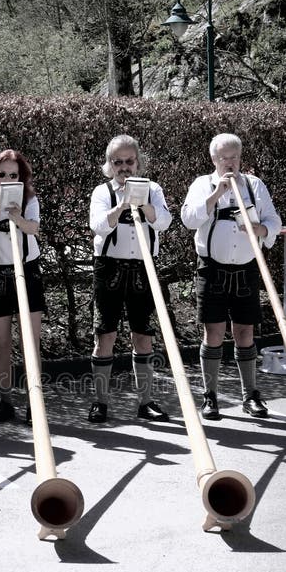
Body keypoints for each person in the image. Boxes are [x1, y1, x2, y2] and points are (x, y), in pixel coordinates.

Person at [181, 132, 281, 419]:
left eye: (235, 156)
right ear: (214, 159)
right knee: (213, 332)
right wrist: (217, 194)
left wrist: (261, 230)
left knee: (245, 332)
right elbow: (189, 219)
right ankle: (210, 396)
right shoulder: (203, 184)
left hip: (247, 268)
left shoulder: (254, 184)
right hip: (212, 269)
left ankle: (250, 395)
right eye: (225, 158)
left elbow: (273, 220)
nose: (230, 163)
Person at [88, 134, 172, 423]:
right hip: (109, 268)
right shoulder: (102, 192)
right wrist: (122, 204)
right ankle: (100, 402)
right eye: (117, 162)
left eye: (129, 161)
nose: (124, 167)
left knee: (144, 336)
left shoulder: (154, 189)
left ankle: (146, 402)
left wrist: (144, 203)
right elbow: (98, 226)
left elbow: (164, 221)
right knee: (105, 335)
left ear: (138, 162)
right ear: (109, 165)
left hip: (143, 269)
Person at [0, 148, 45, 423]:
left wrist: (15, 215)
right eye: (2, 174)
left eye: (13, 175)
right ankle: (5, 401)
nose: (7, 179)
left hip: (27, 272)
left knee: (30, 342)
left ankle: (34, 402)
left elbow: (33, 228)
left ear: (22, 176)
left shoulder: (30, 199)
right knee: (1, 344)